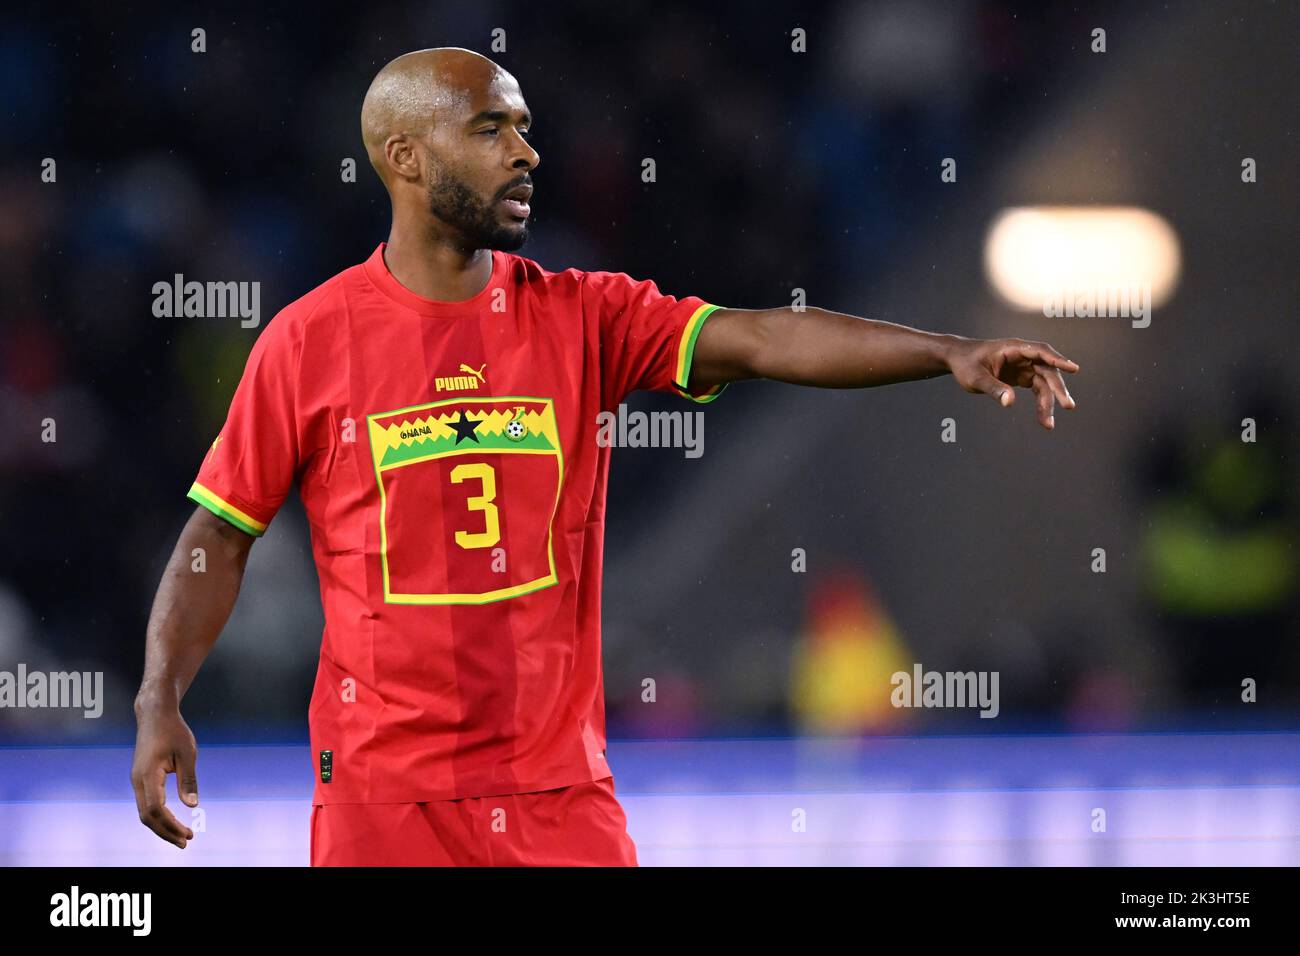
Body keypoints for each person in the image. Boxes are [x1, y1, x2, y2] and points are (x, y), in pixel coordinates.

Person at [131, 47, 1079, 866]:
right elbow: (219, 536)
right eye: (491, 128)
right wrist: (158, 700)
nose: (527, 152)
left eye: (526, 128)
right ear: (406, 159)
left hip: (558, 797)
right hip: (384, 806)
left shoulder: (583, 314)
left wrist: (942, 353)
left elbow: (760, 340)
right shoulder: (308, 343)